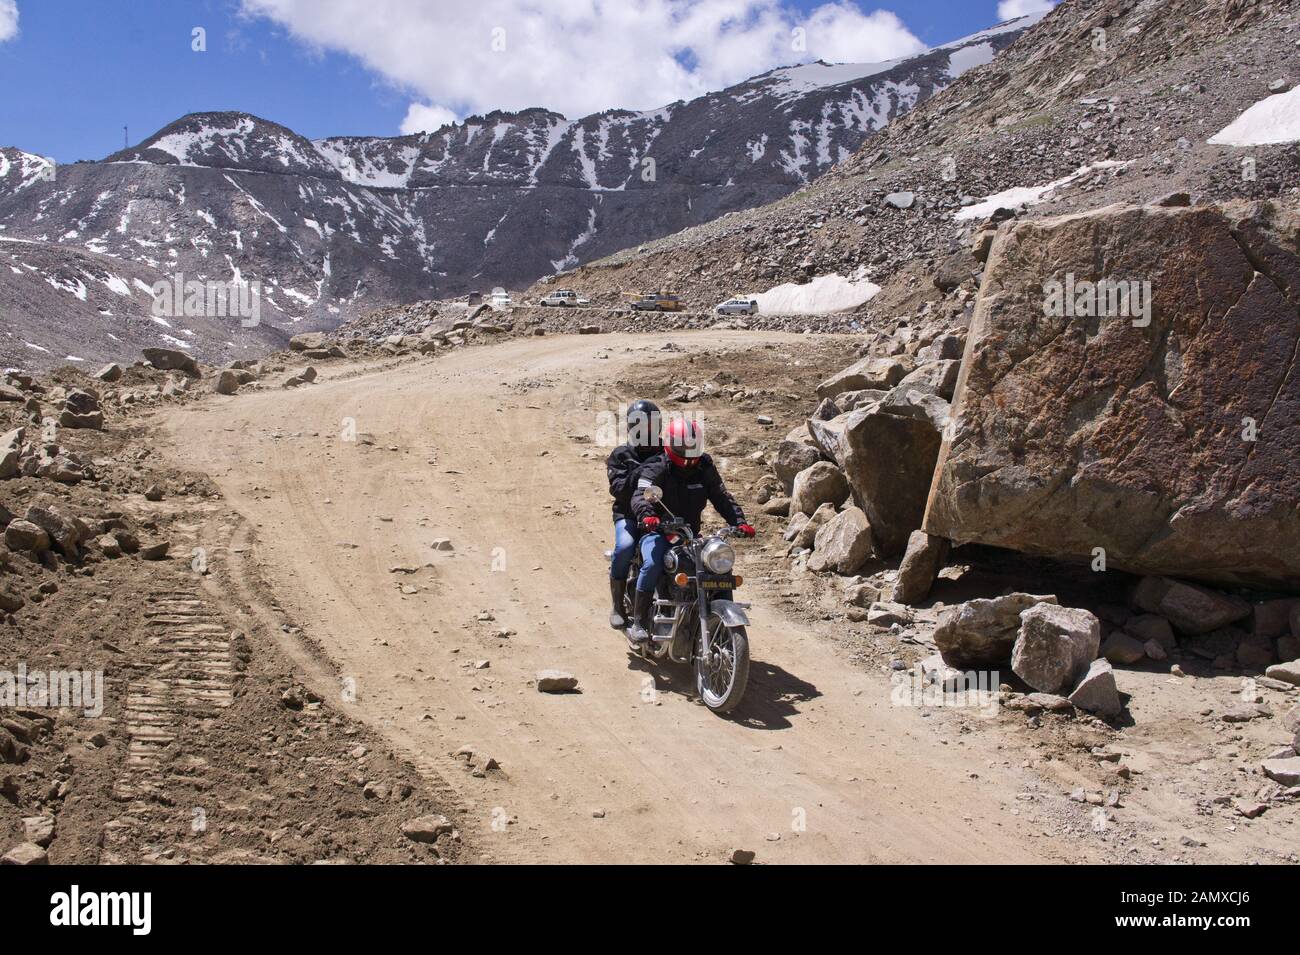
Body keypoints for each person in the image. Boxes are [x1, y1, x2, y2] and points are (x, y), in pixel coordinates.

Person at [626, 416, 755, 643]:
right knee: (653, 562)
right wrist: (649, 517)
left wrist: (739, 522)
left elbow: (720, 495)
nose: (688, 451)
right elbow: (640, 495)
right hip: (659, 531)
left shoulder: (704, 465)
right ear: (672, 444)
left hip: (690, 535)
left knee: (719, 569)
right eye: (683, 446)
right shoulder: (657, 466)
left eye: (693, 446)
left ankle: (723, 629)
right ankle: (638, 622)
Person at [605, 399, 662, 628]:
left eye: (650, 424)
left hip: (659, 517)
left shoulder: (667, 452)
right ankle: (618, 606)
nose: (646, 430)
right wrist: (644, 470)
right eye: (640, 424)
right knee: (625, 547)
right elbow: (618, 490)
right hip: (628, 516)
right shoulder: (621, 455)